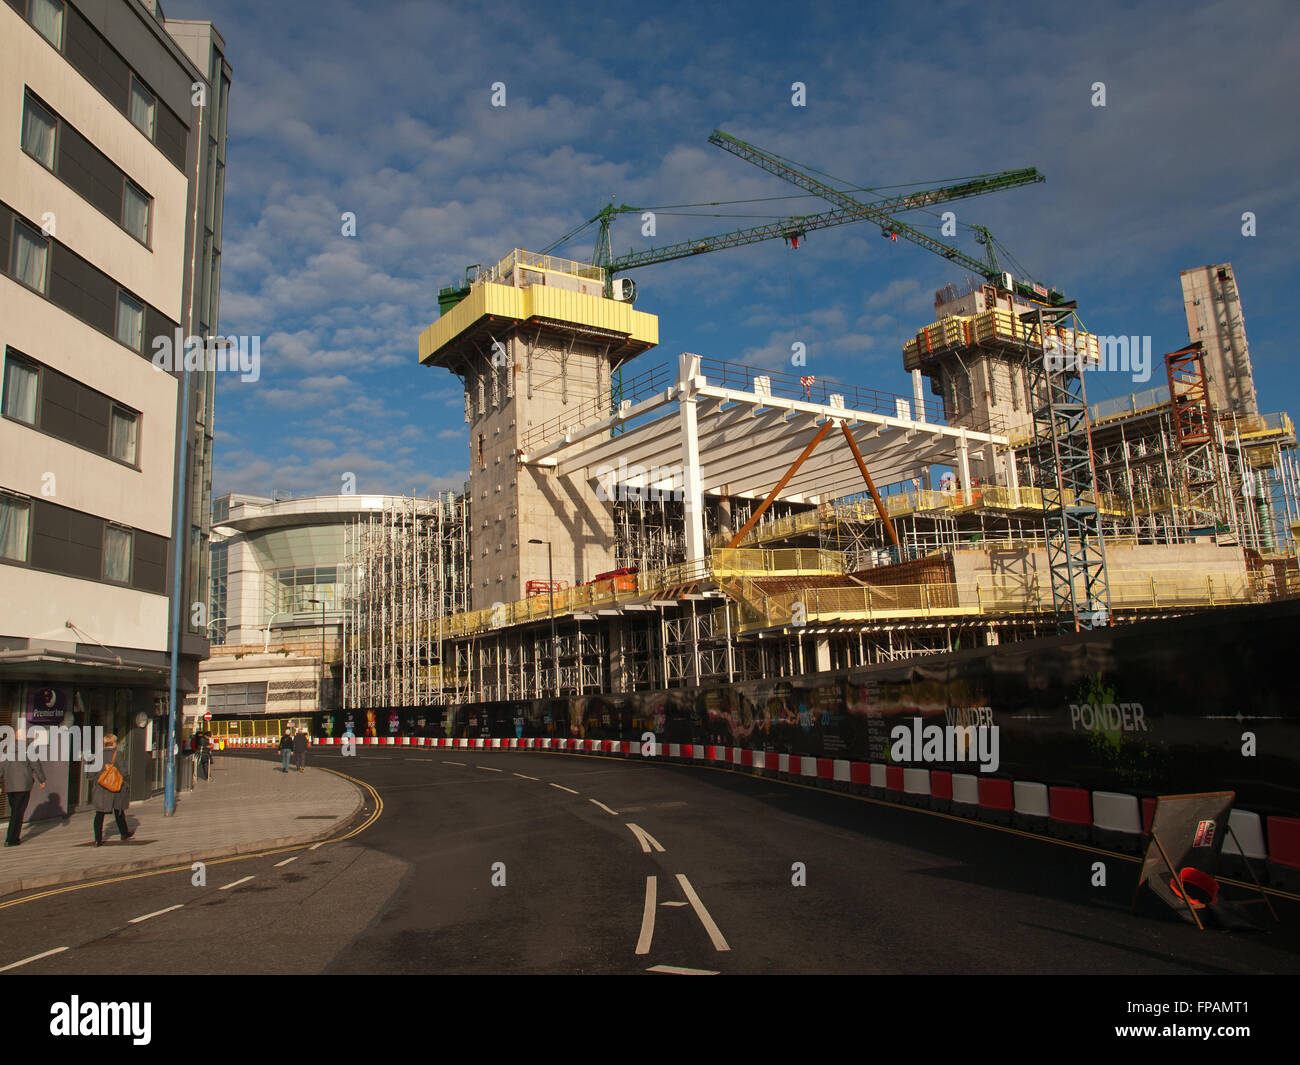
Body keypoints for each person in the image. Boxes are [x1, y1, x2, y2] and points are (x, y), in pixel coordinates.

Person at [2, 738, 46, 847]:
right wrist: (42, 779)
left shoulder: (6, 751)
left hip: (10, 786)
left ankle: (11, 838)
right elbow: (35, 765)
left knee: (14, 812)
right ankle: (12, 839)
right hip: (23, 786)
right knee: (18, 813)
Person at [91, 734, 133, 847]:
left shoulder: (98, 755)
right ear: (114, 743)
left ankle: (97, 840)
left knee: (99, 815)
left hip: (101, 788)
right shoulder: (117, 754)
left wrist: (100, 779)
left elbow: (91, 773)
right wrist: (125, 782)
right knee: (118, 811)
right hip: (115, 787)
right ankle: (124, 834)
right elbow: (124, 772)